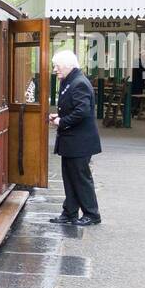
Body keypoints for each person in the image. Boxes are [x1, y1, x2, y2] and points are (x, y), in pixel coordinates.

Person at [48, 49, 101, 226]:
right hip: (72, 141)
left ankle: (92, 214)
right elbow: (74, 107)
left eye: (57, 66)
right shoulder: (70, 80)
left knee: (80, 178)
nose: (55, 69)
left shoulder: (78, 83)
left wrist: (61, 121)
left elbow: (82, 111)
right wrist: (58, 116)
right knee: (70, 177)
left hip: (79, 141)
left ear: (69, 65)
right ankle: (69, 212)